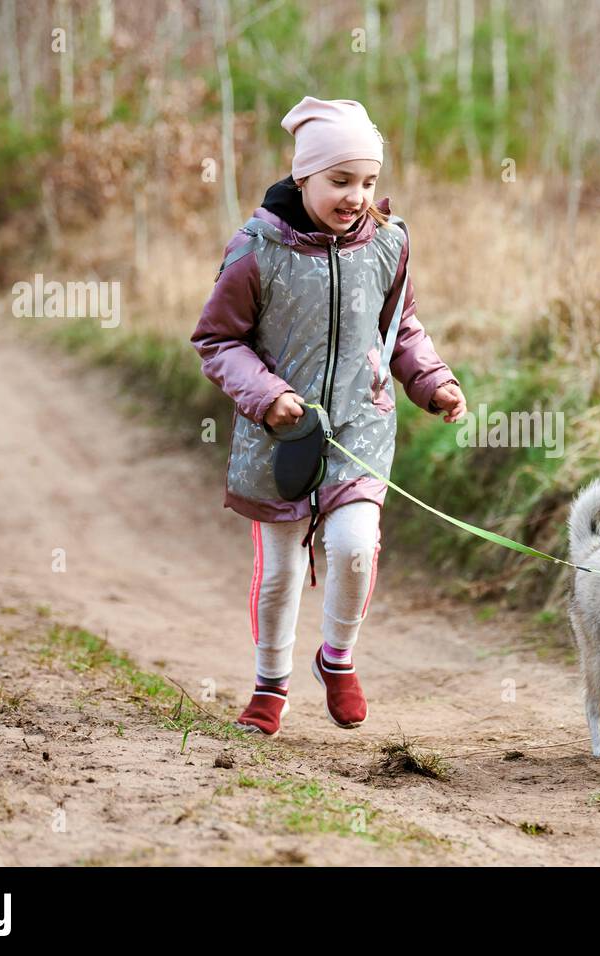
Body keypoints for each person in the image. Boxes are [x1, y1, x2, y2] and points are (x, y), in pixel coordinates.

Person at [190, 96, 466, 735]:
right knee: (282, 569)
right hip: (280, 435)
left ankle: (337, 658)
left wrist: (434, 382)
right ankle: (270, 685)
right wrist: (267, 396)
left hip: (360, 425)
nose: (355, 196)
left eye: (368, 181)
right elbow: (217, 340)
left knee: (354, 547)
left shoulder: (387, 245)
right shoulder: (257, 249)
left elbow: (400, 328)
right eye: (340, 181)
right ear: (303, 176)